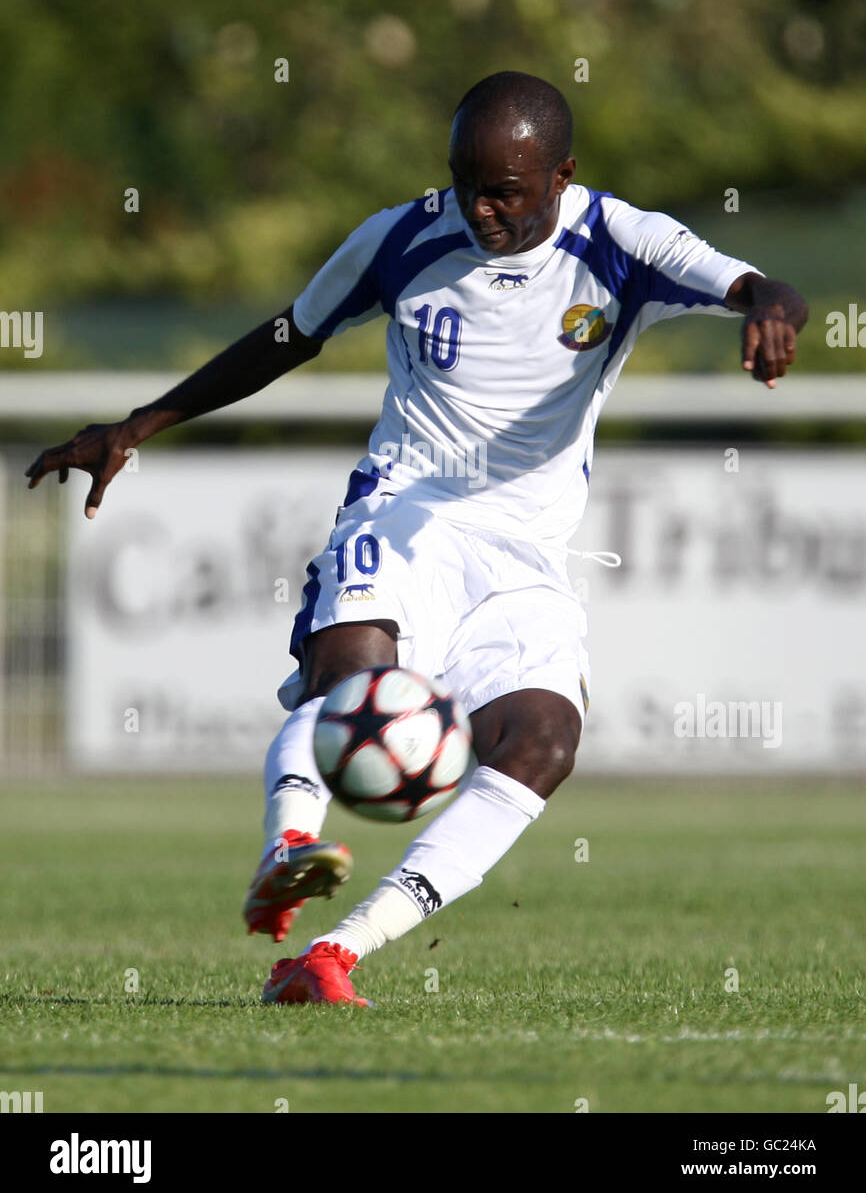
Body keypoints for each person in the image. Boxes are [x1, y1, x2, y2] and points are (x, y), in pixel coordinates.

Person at [27, 72, 809, 1007]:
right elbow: (288, 333)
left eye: (504, 192)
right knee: (351, 685)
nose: (478, 209)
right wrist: (137, 425)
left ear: (562, 175)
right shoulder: (401, 236)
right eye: (464, 181)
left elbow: (767, 285)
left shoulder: (620, 242)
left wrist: (769, 312)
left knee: (544, 741)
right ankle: (290, 850)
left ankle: (334, 955)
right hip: (406, 511)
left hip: (523, 554)